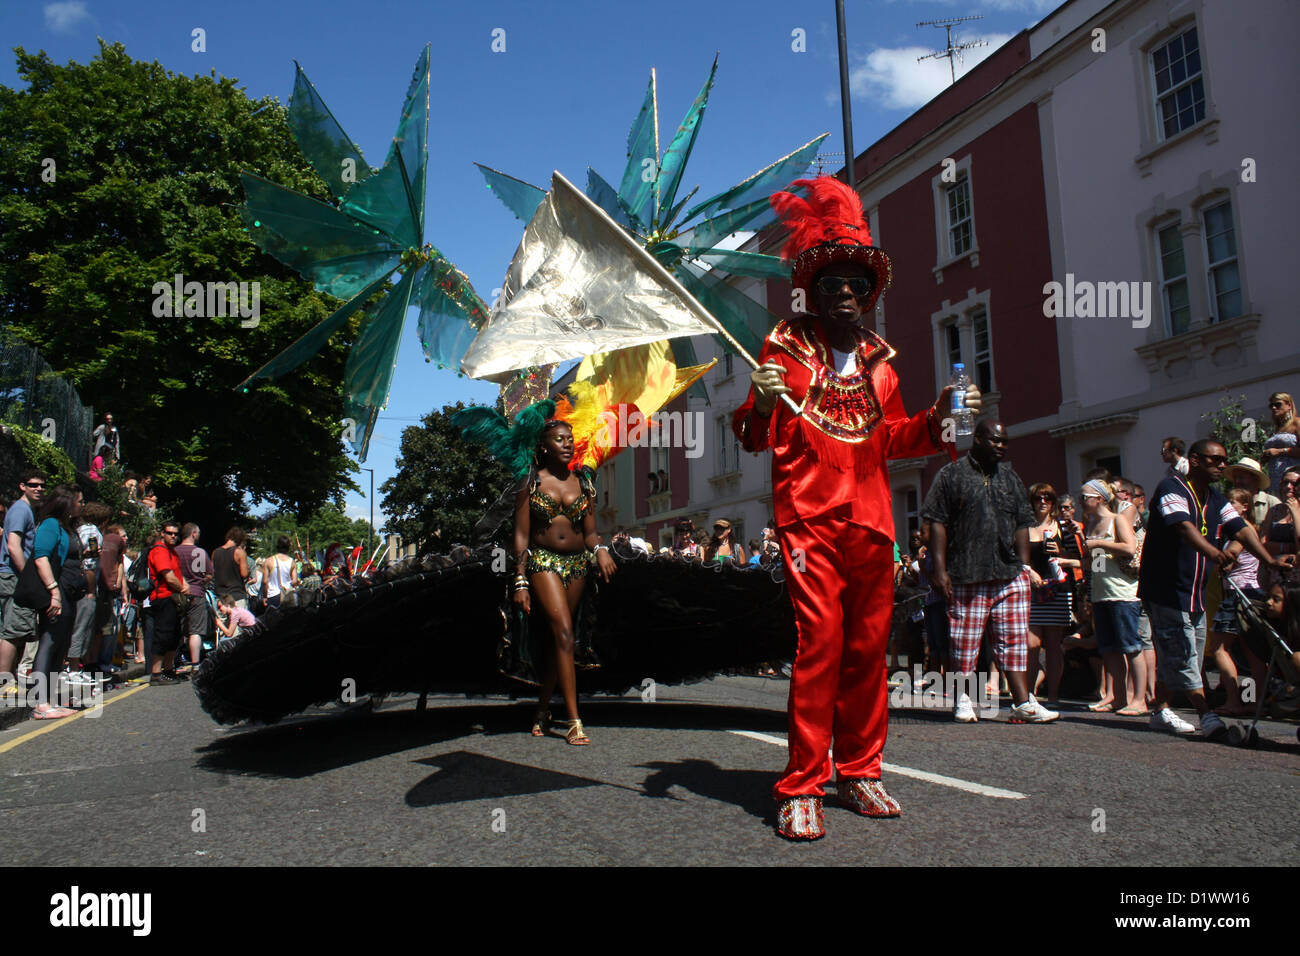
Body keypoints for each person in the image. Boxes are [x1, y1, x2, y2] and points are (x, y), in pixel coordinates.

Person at [733, 176, 976, 840]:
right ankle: (802, 783)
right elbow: (757, 434)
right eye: (833, 283)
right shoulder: (784, 349)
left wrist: (941, 419)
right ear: (812, 291)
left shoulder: (881, 365)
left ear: (870, 295)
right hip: (809, 518)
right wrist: (758, 399)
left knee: (870, 648)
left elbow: (893, 437)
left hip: (870, 518)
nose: (846, 294)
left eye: (857, 286)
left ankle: (861, 770)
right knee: (822, 643)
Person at [1138, 438, 1293, 736]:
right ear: (1195, 461)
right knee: (1184, 653)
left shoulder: (1215, 497)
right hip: (1167, 590)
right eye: (1215, 460)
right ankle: (1207, 716)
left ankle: (1161, 710)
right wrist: (1213, 552)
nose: (1222, 465)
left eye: (1223, 460)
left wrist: (1268, 561)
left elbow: (1243, 529)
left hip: (1194, 592)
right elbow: (1183, 527)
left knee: (1185, 652)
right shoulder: (1171, 489)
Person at [924, 420, 1058, 724]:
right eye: (996, 441)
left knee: (1013, 640)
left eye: (1005, 442)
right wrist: (940, 570)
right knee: (964, 643)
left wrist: (1024, 566)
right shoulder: (951, 475)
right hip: (966, 573)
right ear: (978, 439)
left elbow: (1023, 522)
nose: (1001, 446)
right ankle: (963, 700)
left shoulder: (1010, 477)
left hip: (1008, 574)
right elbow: (937, 523)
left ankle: (1022, 702)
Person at [509, 410, 617, 746]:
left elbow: (590, 532)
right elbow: (522, 536)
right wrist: (520, 580)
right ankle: (574, 721)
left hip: (578, 565)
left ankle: (543, 708)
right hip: (543, 563)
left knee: (563, 641)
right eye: (560, 440)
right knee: (565, 632)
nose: (568, 445)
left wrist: (600, 549)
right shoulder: (530, 482)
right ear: (543, 446)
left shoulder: (583, 482)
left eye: (570, 440)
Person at [1079, 479, 1146, 714]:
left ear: (1099, 498)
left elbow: (1129, 547)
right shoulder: (1092, 523)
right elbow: (1097, 564)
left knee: (1131, 646)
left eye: (1084, 496)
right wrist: (1070, 561)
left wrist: (1098, 543)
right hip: (1101, 593)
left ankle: (1139, 699)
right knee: (1109, 649)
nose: (1081, 501)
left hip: (1122, 592)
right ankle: (1118, 697)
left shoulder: (1117, 520)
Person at [27, 485, 87, 718]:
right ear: (66, 501)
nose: (82, 504)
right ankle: (40, 704)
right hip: (57, 591)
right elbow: (40, 557)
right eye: (79, 500)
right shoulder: (51, 524)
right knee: (49, 642)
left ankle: (49, 701)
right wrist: (53, 591)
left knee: (60, 646)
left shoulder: (66, 527)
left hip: (69, 594)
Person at [1206, 489, 1267, 716]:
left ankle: (1234, 700)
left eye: (1233, 502)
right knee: (1252, 652)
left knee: (1219, 648)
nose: (1228, 506)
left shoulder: (1242, 531)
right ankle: (1254, 701)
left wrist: (1217, 559)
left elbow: (1231, 556)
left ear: (1245, 507)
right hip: (1249, 593)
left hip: (1239, 594)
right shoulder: (1242, 530)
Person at [0, 470, 46, 689]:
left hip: (13, 575)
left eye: (41, 486)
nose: (38, 489)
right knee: (13, 630)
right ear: (22, 486)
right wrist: (28, 577)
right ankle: (5, 679)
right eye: (33, 485)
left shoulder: (26, 510)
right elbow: (13, 546)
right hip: (13, 576)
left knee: (17, 629)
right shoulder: (21, 510)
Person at [1025, 483, 1069, 705]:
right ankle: (1029, 695)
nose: (1043, 502)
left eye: (1048, 498)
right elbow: (1016, 558)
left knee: (1053, 645)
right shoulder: (1024, 528)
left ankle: (1053, 695)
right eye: (1038, 498)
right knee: (1031, 645)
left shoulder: (1065, 527)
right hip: (1032, 590)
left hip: (1057, 592)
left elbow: (1090, 561)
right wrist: (1029, 571)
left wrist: (1062, 555)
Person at [63, 501, 109, 682]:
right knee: (81, 627)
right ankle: (73, 668)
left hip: (71, 583)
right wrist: (91, 590)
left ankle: (69, 667)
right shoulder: (91, 532)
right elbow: (90, 562)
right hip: (83, 586)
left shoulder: (78, 529)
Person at [146, 523, 186, 685]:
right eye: (169, 533)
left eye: (176, 534)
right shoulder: (160, 550)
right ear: (162, 534)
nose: (173, 536)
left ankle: (168, 670)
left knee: (174, 636)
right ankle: (156, 674)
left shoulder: (172, 552)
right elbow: (168, 577)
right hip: (163, 597)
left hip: (172, 597)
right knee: (163, 635)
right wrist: (184, 588)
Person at [173, 523, 211, 672]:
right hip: (196, 593)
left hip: (177, 594)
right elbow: (207, 574)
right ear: (193, 533)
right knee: (195, 631)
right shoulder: (199, 553)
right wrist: (201, 581)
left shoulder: (174, 552)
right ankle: (195, 663)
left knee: (178, 629)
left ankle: (176, 660)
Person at [1225, 456, 1280, 529]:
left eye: (1241, 477)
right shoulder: (1227, 501)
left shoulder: (1272, 503)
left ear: (1255, 479)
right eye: (1235, 478)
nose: (1237, 481)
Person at [1262, 392, 1300, 490]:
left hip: (1293, 477)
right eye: (1271, 406)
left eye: (1278, 404)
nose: (1274, 408)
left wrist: (1279, 451)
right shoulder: (1277, 429)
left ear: (1289, 405)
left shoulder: (1297, 423)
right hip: (1276, 480)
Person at [212, 527, 251, 611]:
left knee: (221, 624)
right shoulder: (239, 552)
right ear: (240, 540)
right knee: (237, 623)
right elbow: (244, 574)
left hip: (220, 598)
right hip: (236, 596)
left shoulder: (215, 552)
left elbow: (212, 573)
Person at [260, 537, 298, 610]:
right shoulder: (292, 562)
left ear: (277, 546)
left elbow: (265, 581)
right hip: (287, 595)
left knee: (274, 619)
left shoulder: (269, 561)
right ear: (288, 547)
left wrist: (265, 597)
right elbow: (295, 581)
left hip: (273, 595)